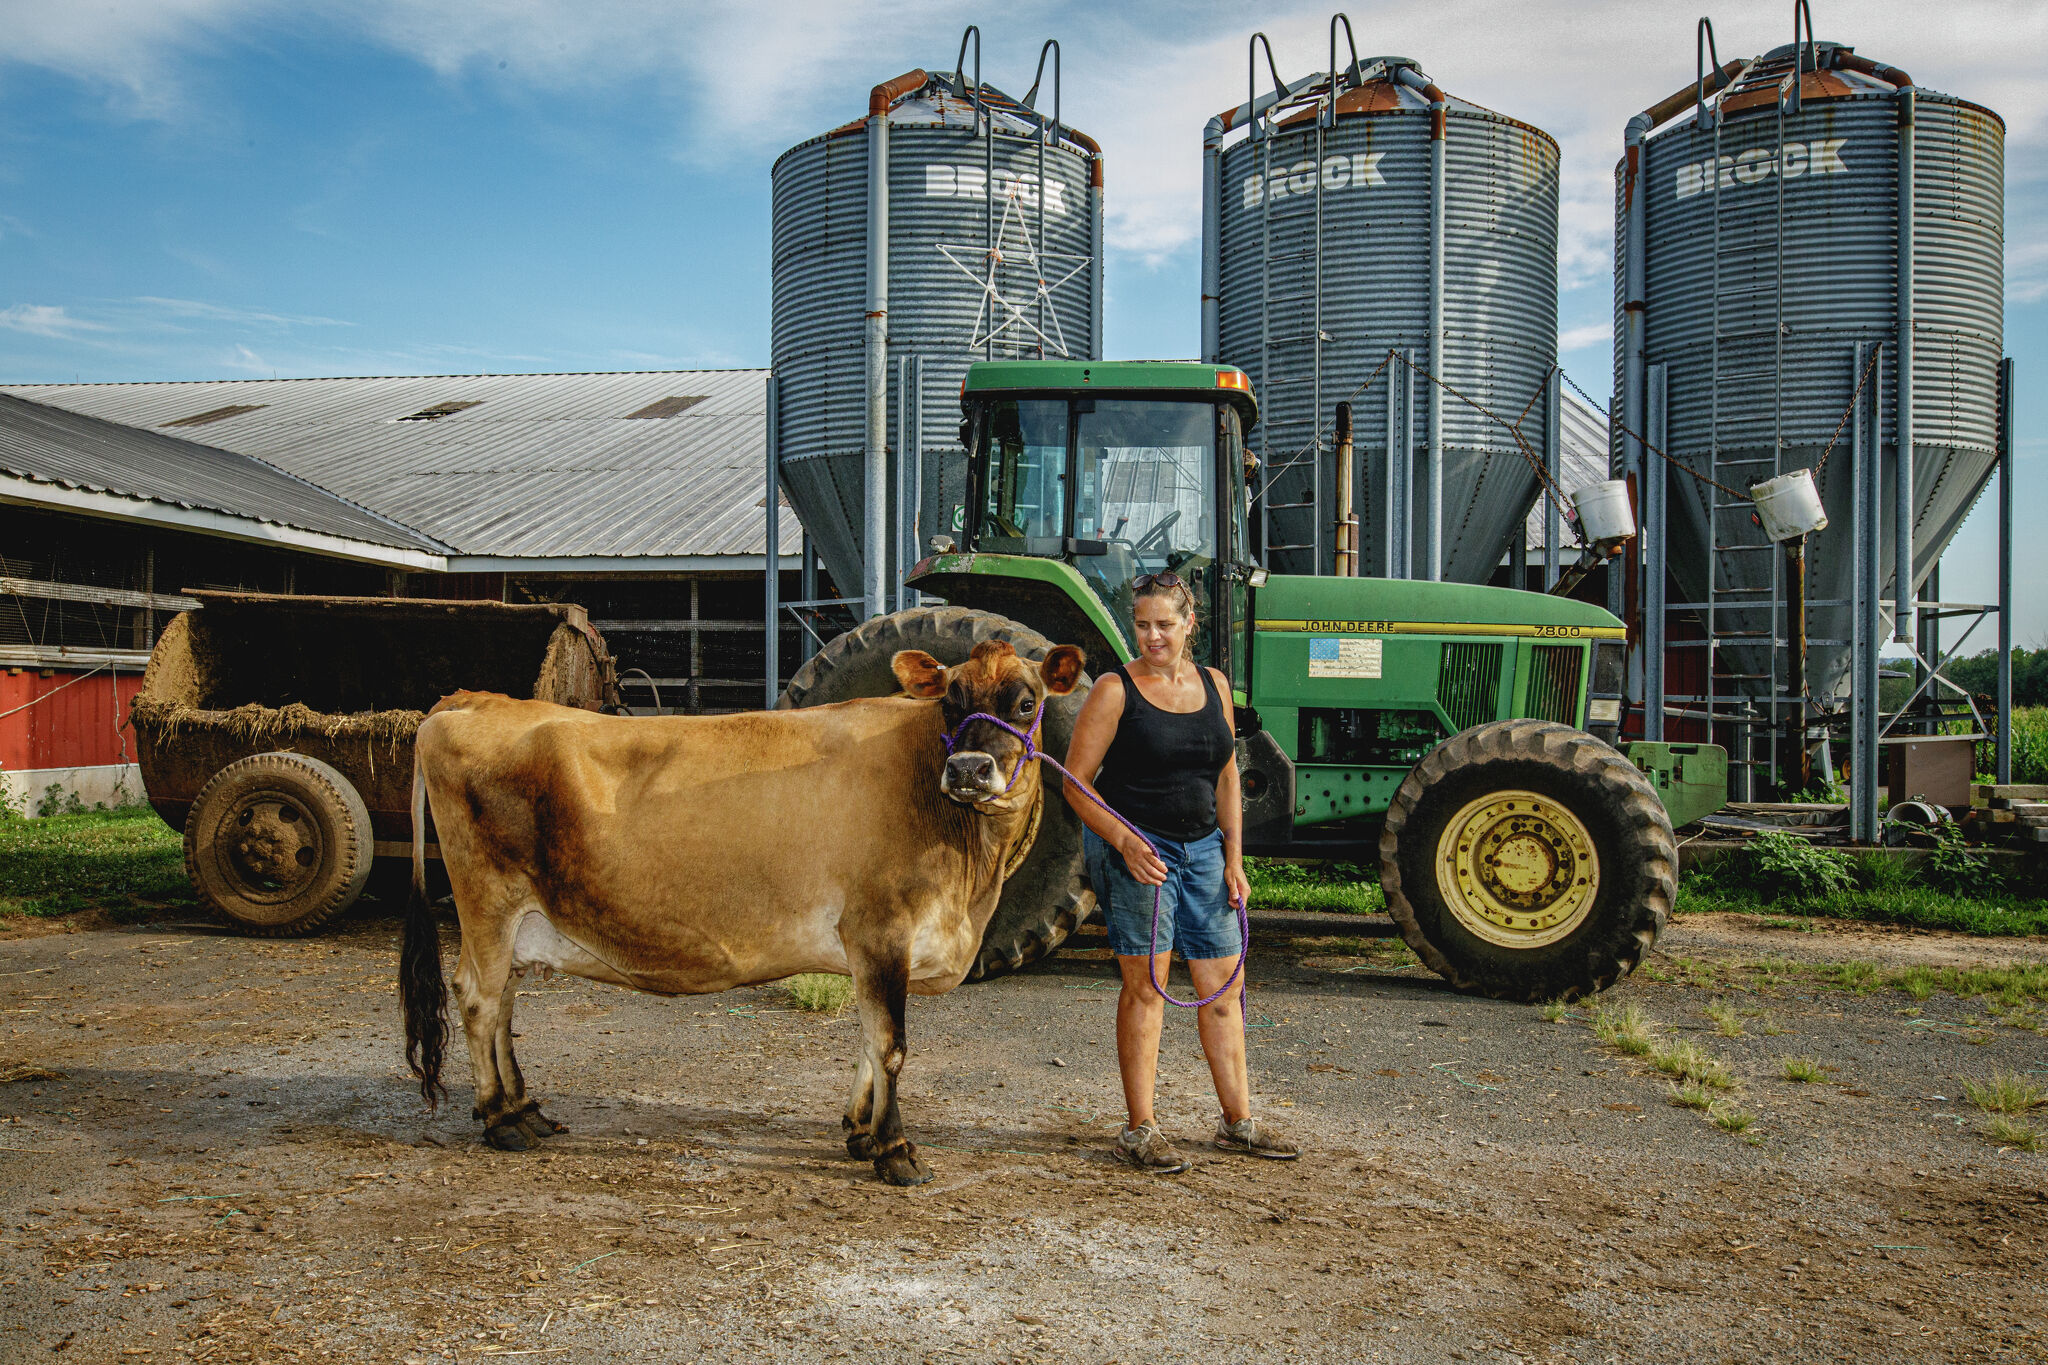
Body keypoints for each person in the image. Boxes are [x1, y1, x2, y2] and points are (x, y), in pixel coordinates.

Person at [1061, 571, 1299, 1173]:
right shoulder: (1115, 690)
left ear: (1189, 623)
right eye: (1142, 625)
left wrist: (1234, 860)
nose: (1152, 637)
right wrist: (1123, 840)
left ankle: (1238, 1123)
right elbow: (1075, 783)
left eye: (1164, 625)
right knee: (1147, 988)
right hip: (1141, 854)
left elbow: (1226, 776)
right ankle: (1139, 1130)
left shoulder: (1214, 684)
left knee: (1224, 988)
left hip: (1206, 852)